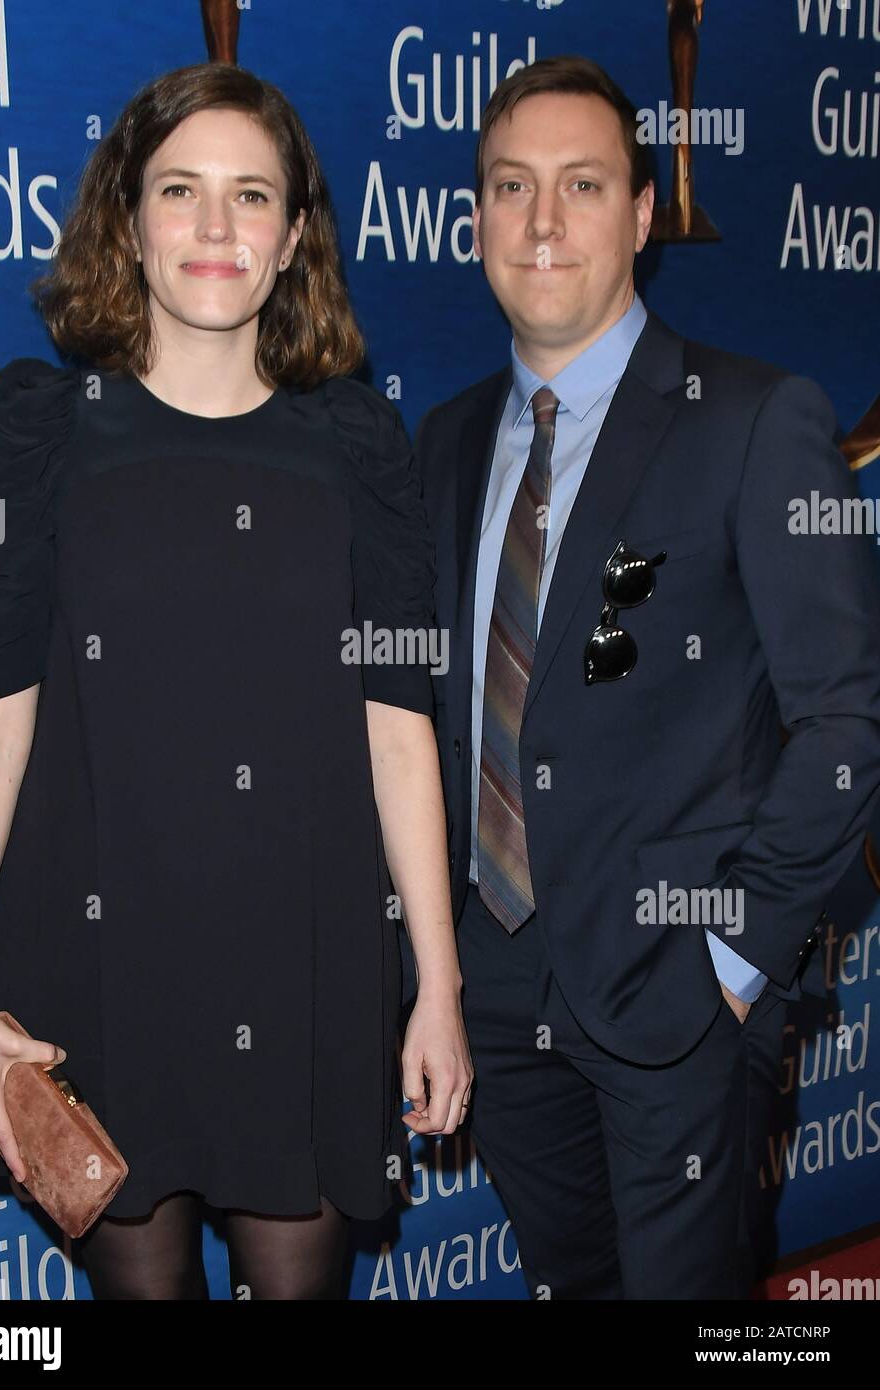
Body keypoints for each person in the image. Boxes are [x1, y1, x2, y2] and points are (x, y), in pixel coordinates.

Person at [0, 61, 472, 1301]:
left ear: (292, 241)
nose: (217, 227)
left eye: (251, 197)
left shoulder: (354, 442)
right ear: (129, 223)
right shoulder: (39, 429)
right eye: (182, 191)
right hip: (104, 963)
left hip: (311, 962)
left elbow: (400, 732)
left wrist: (436, 986)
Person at [415, 54, 880, 1299]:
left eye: (582, 184)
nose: (544, 220)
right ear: (476, 225)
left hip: (681, 996)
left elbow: (846, 722)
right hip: (497, 991)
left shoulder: (754, 418)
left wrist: (734, 962)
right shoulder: (445, 443)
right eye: (512, 187)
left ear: (640, 215)